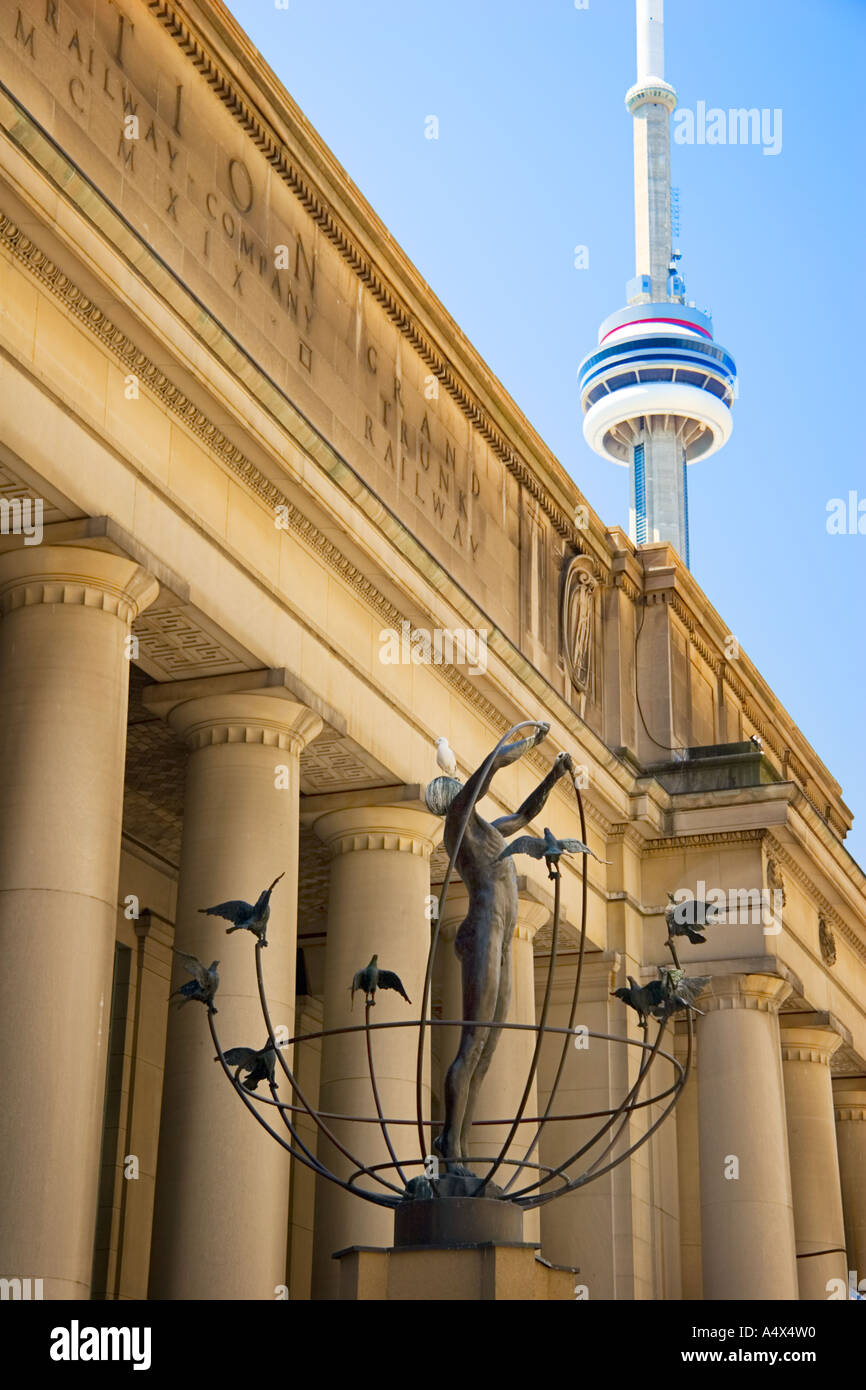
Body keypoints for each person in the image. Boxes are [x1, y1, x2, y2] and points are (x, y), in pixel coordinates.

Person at [429, 724, 574, 1172]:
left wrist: (553, 775)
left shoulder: (489, 831)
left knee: (488, 1050)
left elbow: (525, 816)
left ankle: (462, 1146)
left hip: (504, 937)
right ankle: (449, 1145)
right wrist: (531, 740)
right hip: (483, 931)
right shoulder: (459, 822)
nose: (466, 790)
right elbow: (493, 764)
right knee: (472, 1043)